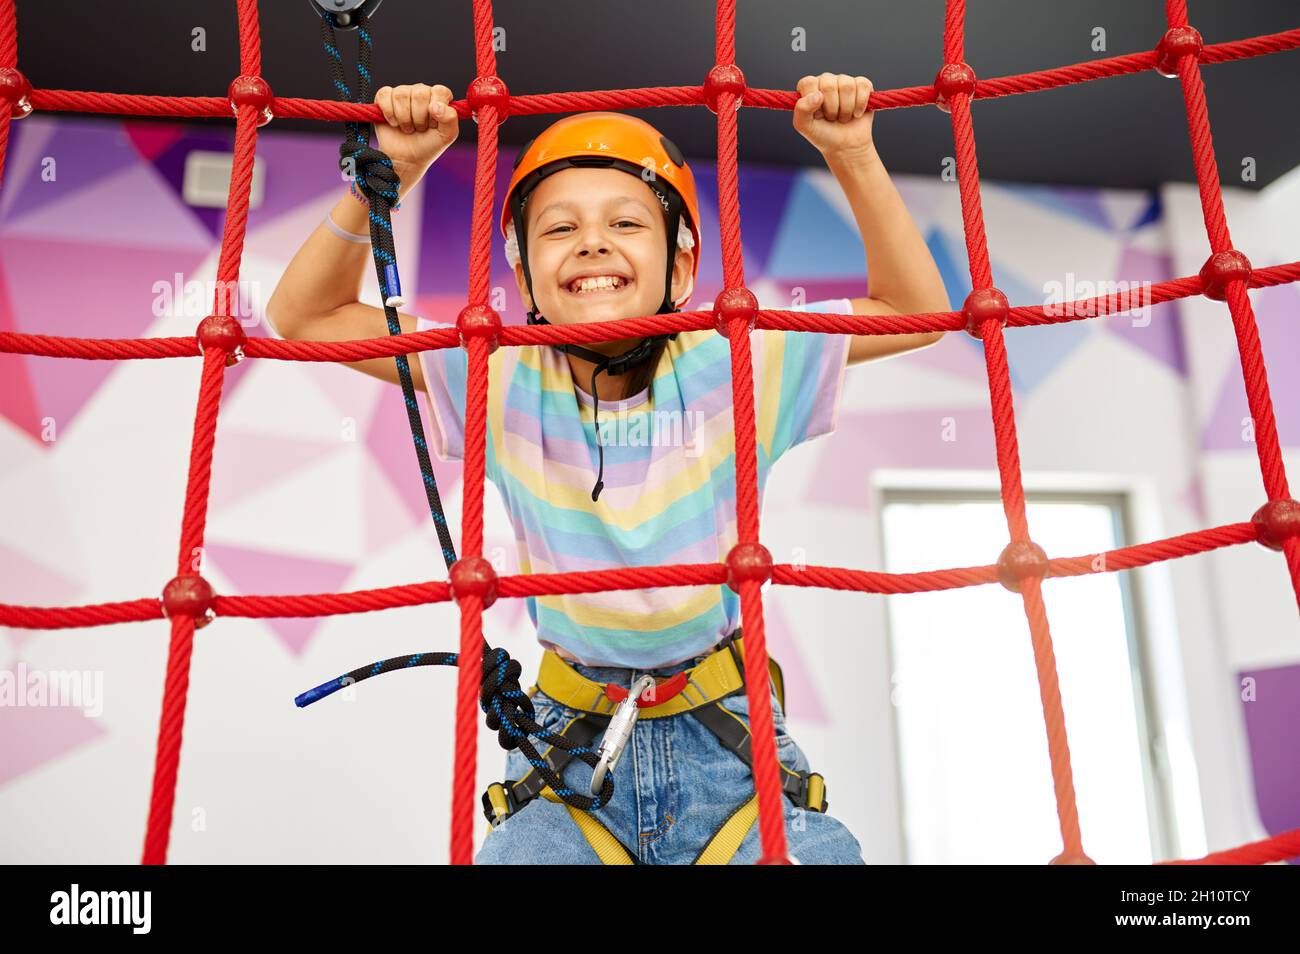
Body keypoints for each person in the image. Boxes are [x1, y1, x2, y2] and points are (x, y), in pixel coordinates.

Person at [268, 73, 951, 864]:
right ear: (524, 281)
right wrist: (391, 174)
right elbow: (306, 319)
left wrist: (852, 152)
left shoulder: (738, 360)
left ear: (682, 268)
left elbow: (917, 309)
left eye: (627, 221)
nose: (592, 242)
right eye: (558, 230)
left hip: (728, 743)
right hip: (568, 750)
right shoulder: (499, 376)